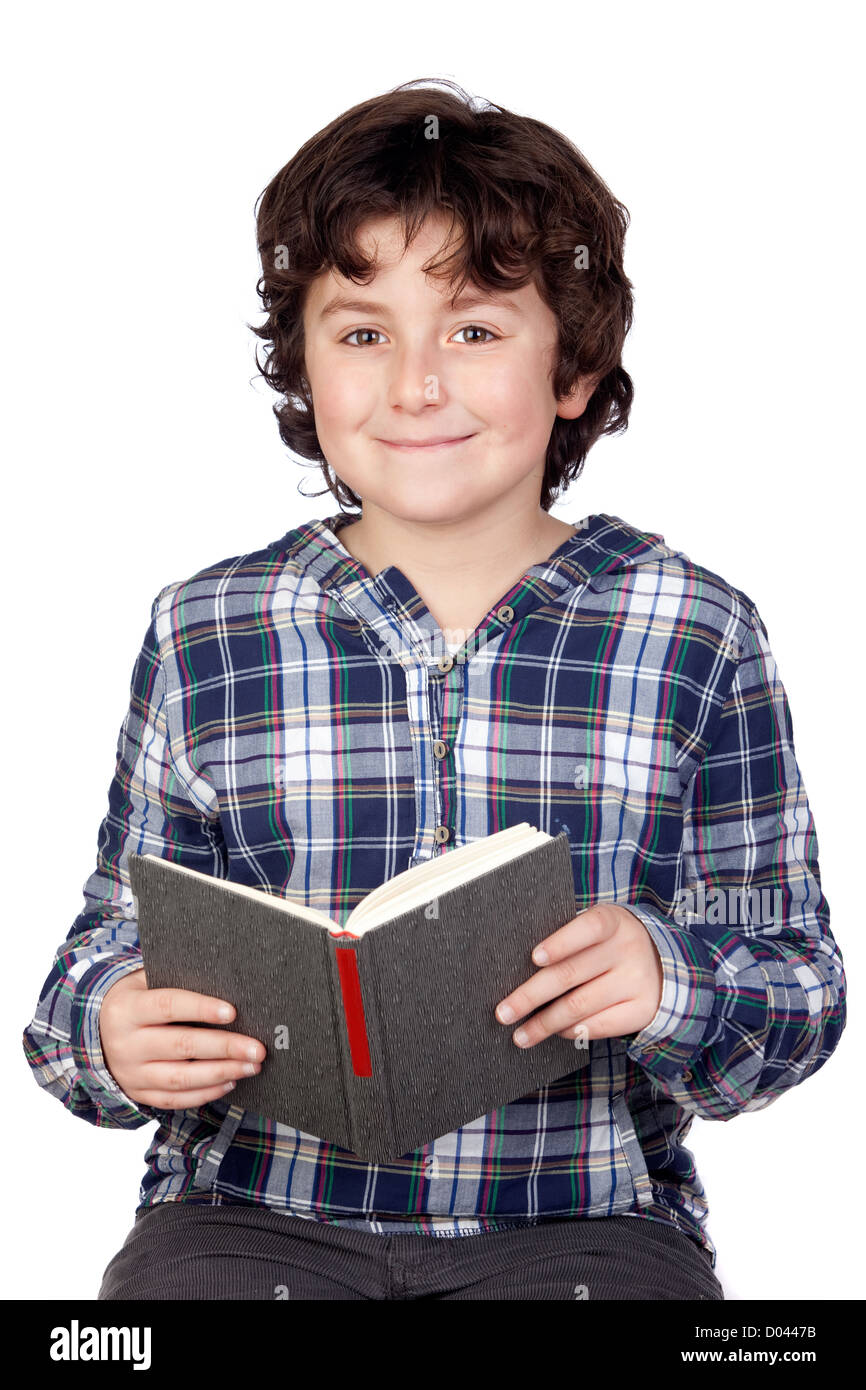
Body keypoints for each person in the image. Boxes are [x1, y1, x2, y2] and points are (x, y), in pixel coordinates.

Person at [22, 78, 846, 1302]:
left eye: (472, 329)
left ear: (570, 369)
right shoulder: (209, 627)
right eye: (362, 333)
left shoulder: (692, 630)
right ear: (302, 369)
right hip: (249, 1222)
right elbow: (96, 957)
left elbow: (798, 986)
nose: (414, 385)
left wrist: (667, 980)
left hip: (577, 1225)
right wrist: (111, 1028)